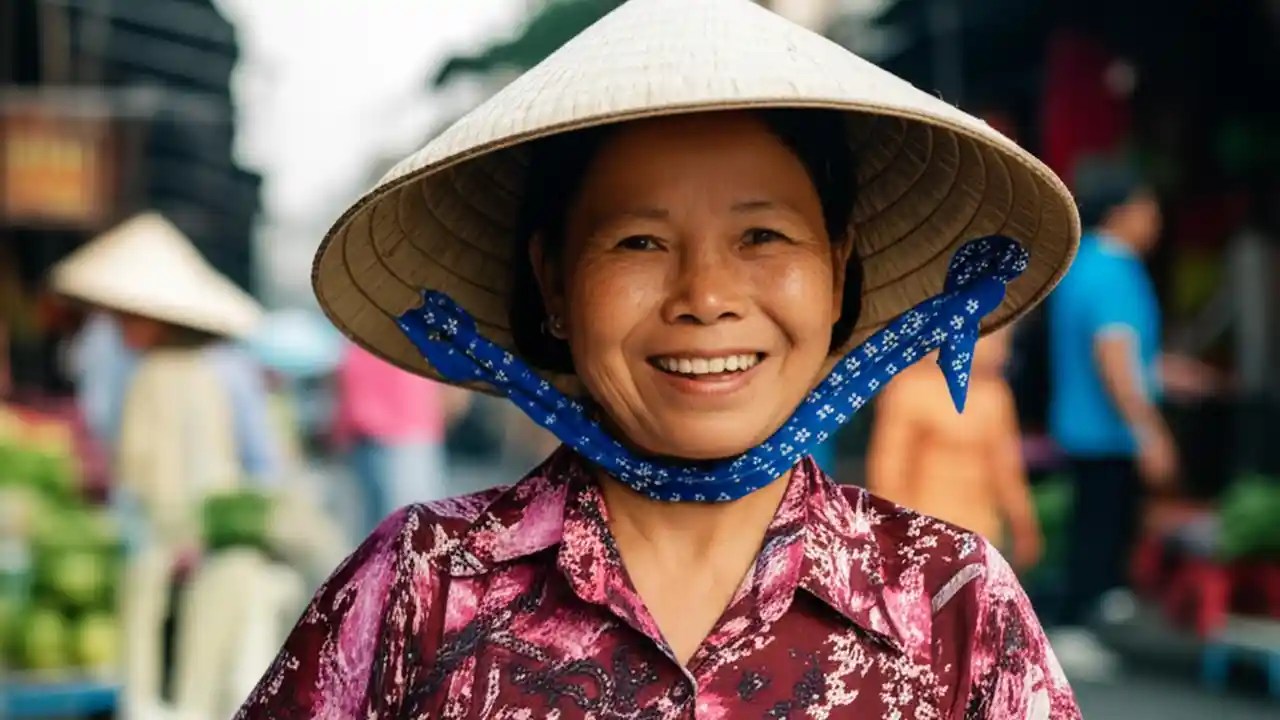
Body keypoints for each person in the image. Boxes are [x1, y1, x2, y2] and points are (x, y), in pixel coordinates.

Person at [236, 0, 1082, 716]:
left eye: (762, 236)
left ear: (836, 271)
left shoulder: (950, 600)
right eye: (639, 241)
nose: (705, 296)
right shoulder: (422, 583)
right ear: (554, 285)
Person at [49, 213, 293, 720]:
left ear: (160, 315)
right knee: (141, 664)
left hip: (218, 545)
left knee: (207, 680)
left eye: (129, 316)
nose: (119, 326)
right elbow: (125, 462)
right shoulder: (129, 369)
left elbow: (264, 466)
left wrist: (223, 527)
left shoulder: (226, 369)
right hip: (150, 538)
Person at [1046, 158, 1171, 677]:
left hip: (1082, 425)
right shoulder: (1116, 269)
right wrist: (1150, 432)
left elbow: (1126, 352)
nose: (1156, 218)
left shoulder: (1084, 264)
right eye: (1148, 206)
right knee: (1097, 530)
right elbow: (1115, 357)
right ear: (1121, 212)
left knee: (1092, 524)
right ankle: (1074, 626)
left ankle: (1086, 614)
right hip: (1107, 430)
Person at [868, 328, 1042, 571]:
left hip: (981, 534)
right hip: (924, 532)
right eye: (994, 336)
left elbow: (1007, 471)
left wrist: (1023, 524)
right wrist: (889, 530)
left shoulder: (995, 394)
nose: (1003, 351)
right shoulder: (911, 388)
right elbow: (888, 470)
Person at [331, 342, 473, 540]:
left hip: (407, 438)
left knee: (411, 537)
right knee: (374, 542)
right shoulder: (360, 323)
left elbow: (459, 374)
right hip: (365, 437)